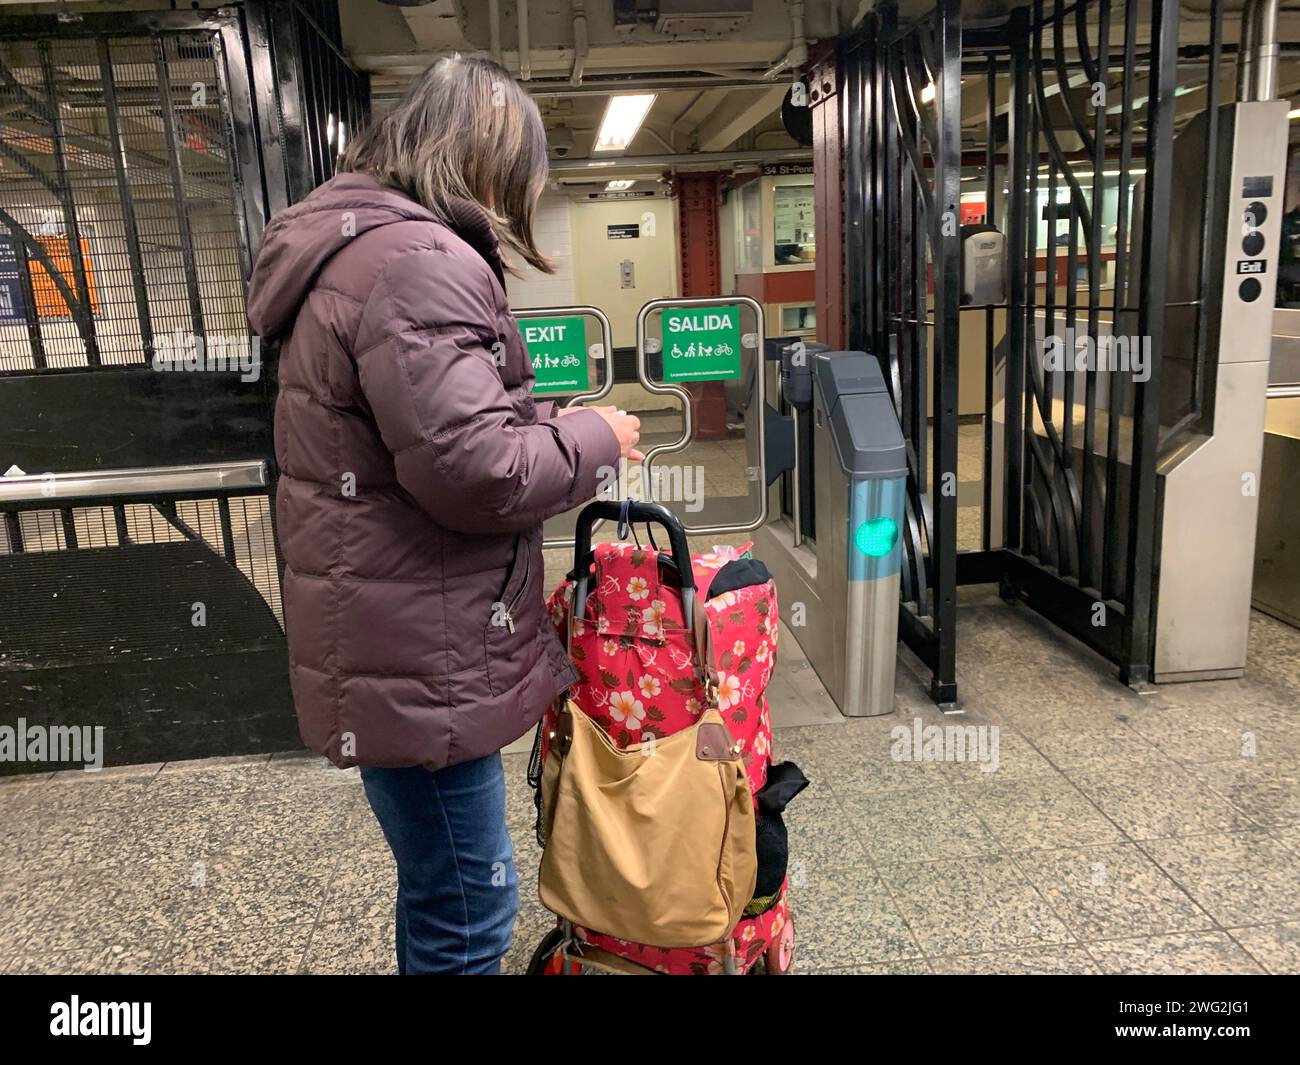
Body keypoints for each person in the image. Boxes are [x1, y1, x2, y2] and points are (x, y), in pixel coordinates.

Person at [246, 55, 641, 974]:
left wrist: (549, 423)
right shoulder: (417, 262)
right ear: (486, 157)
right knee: (470, 906)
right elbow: (478, 472)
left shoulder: (361, 248)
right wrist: (594, 437)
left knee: (439, 887)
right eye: (521, 176)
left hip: (395, 634)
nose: (518, 200)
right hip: (423, 651)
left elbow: (435, 432)